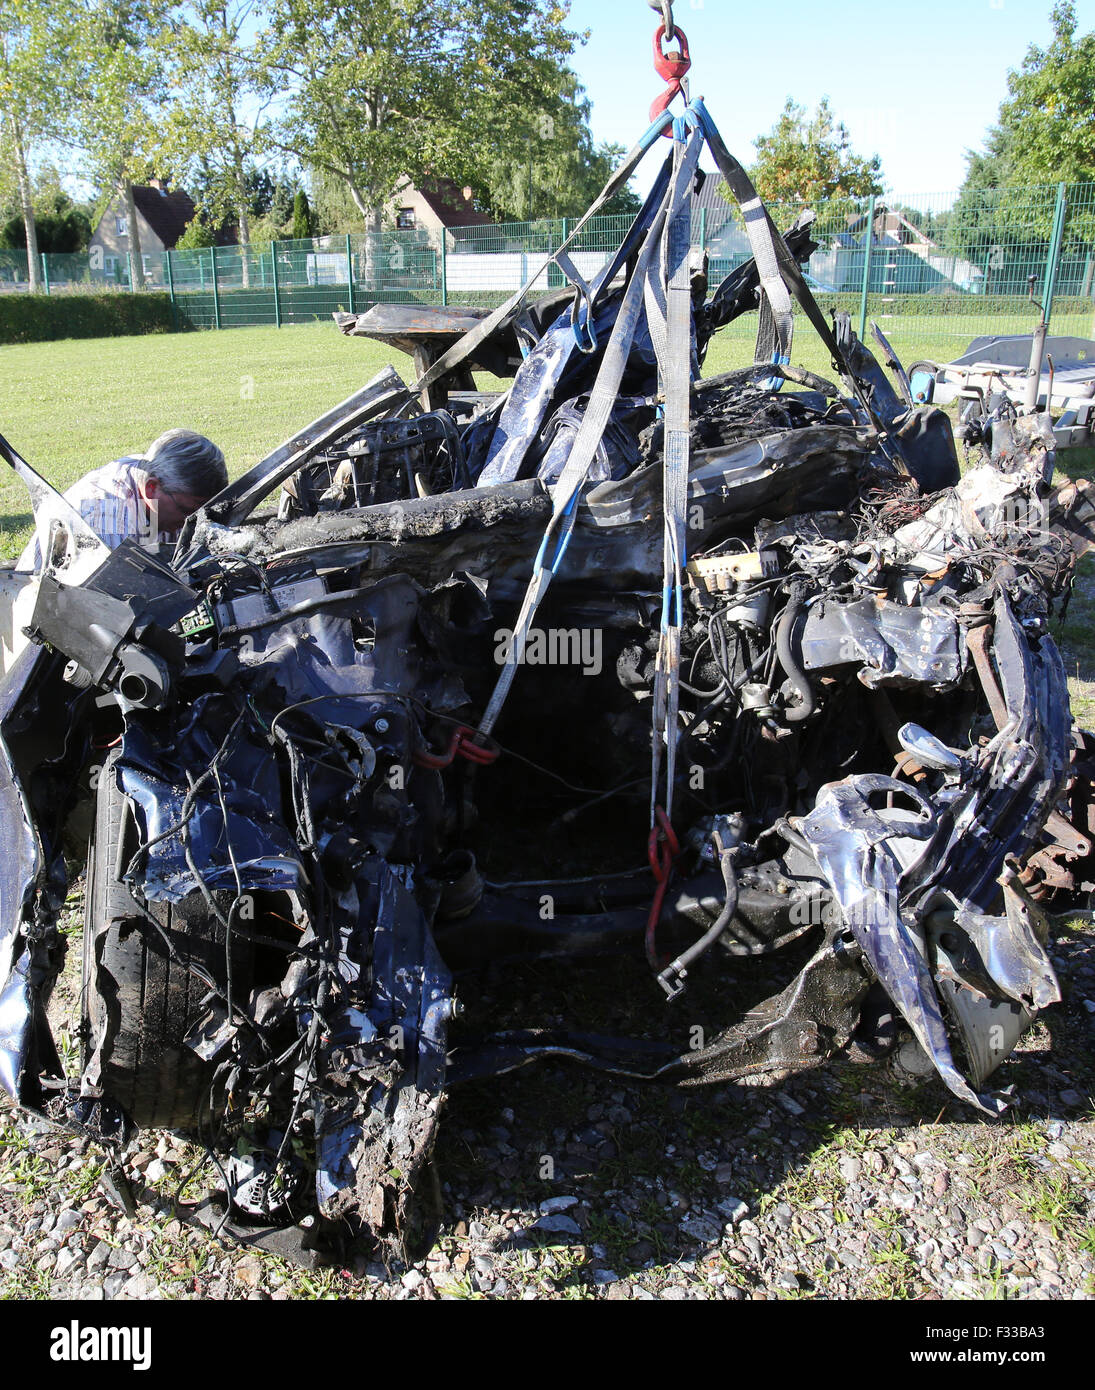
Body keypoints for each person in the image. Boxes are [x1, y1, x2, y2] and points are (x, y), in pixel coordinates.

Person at [17, 428, 227, 571]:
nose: (193, 521)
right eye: (187, 512)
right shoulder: (106, 519)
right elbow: (109, 608)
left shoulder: (152, 471)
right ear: (151, 488)